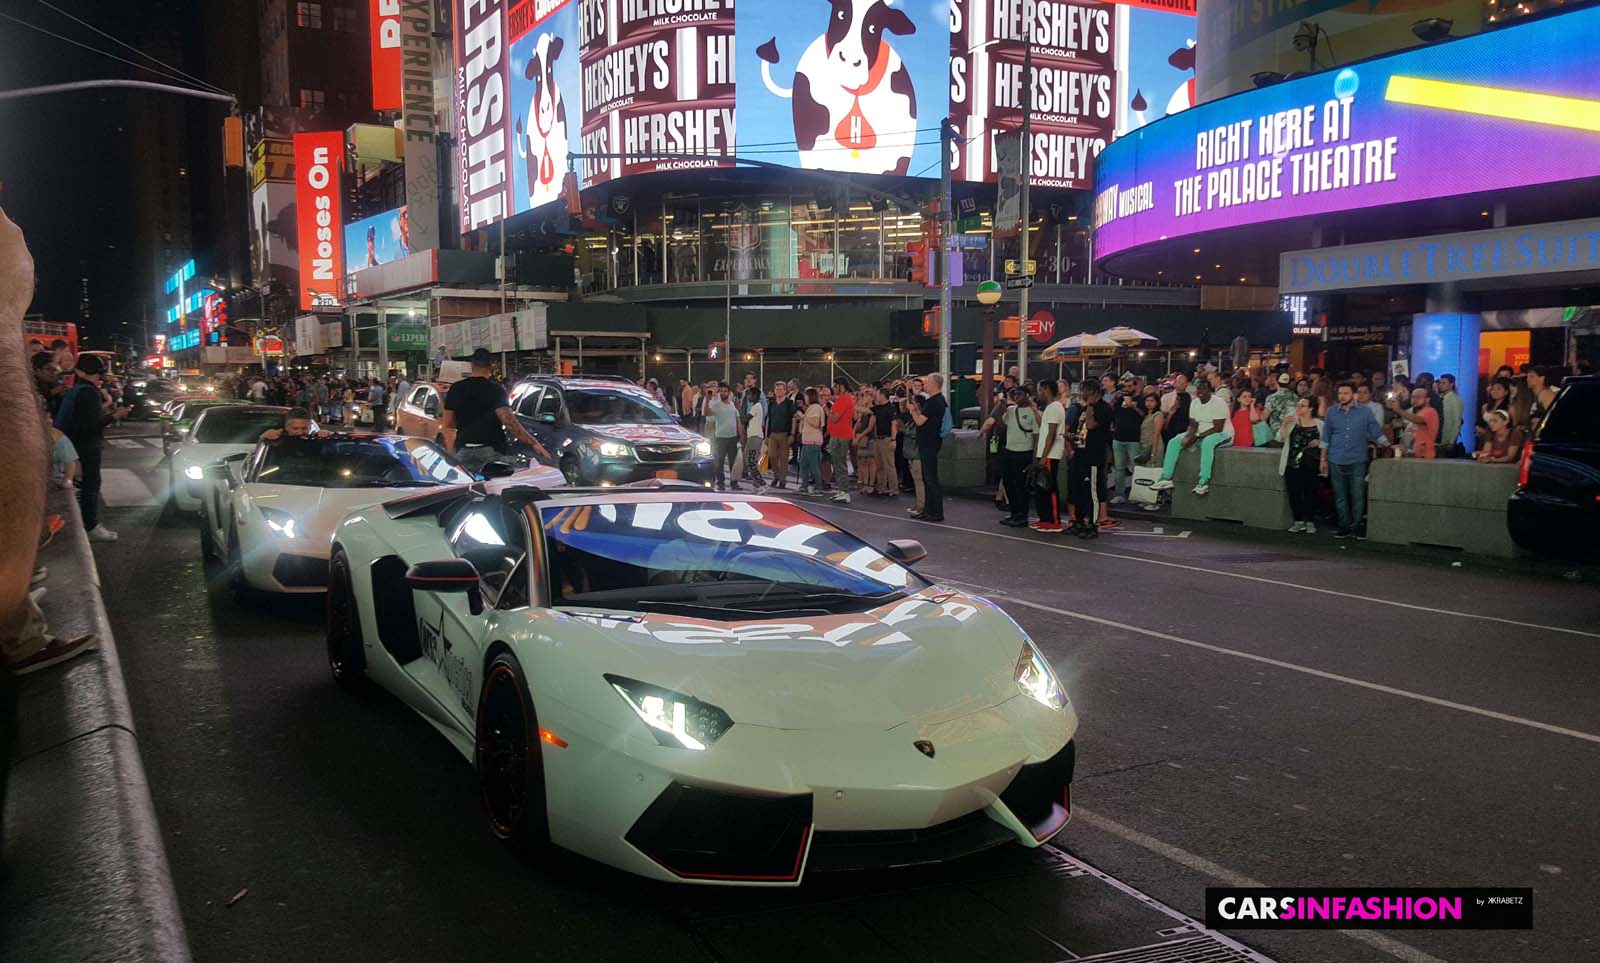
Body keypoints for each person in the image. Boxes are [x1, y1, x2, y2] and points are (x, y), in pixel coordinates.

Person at [440, 349, 550, 474]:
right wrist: (533, 443)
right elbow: (509, 422)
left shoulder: (456, 388)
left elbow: (448, 422)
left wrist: (465, 423)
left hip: (463, 450)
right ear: (491, 365)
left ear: (471, 365)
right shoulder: (496, 390)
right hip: (492, 452)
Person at [55, 354, 128, 542]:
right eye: (94, 373)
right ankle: (90, 526)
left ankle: (86, 524)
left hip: (71, 444)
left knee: (84, 486)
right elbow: (89, 426)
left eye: (98, 373)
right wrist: (115, 415)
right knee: (90, 485)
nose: (97, 377)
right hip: (85, 446)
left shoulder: (76, 390)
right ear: (80, 371)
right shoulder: (87, 392)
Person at [1320, 382, 1387, 538]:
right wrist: (1323, 459)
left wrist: (1387, 444)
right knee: (1340, 494)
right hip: (1336, 457)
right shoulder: (1331, 412)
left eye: (1346, 393)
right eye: (1340, 393)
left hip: (1357, 458)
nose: (1342, 396)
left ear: (1354, 395)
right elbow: (1326, 436)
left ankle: (1356, 525)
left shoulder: (1365, 412)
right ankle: (1344, 525)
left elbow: (1376, 431)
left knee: (1357, 494)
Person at [1151, 376, 1231, 497]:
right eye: (1199, 389)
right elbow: (1193, 424)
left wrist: (1196, 436)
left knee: (1208, 442)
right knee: (1174, 441)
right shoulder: (1194, 402)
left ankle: (1203, 481)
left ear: (1210, 390)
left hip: (1222, 434)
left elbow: (1217, 428)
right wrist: (1188, 436)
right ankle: (1166, 478)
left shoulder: (1219, 402)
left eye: (1204, 389)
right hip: (1200, 433)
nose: (1201, 392)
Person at [1067, 383, 1112, 539]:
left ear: (1093, 392)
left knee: (1092, 491)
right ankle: (1078, 521)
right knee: (1078, 489)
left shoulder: (1103, 409)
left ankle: (1092, 525)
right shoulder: (1083, 409)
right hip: (1080, 453)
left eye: (1085, 391)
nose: (1082, 394)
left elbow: (1091, 425)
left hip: (1094, 456)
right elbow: (1079, 429)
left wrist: (1091, 407)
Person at [1278, 397, 1323, 533]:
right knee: (1294, 493)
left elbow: (1327, 441)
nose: (1299, 408)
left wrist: (1318, 442)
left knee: (1310, 492)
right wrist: (1285, 424)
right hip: (1292, 462)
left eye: (1303, 406)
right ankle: (1297, 520)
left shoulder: (1319, 424)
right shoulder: (1292, 422)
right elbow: (1281, 438)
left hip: (1311, 463)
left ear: (1310, 408)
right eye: (1298, 405)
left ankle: (1310, 521)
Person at [1030, 380, 1068, 532]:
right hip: (1045, 453)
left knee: (1049, 486)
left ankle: (1054, 520)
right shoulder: (1050, 408)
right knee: (1042, 487)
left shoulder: (1054, 407)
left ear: (1046, 389)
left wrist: (1044, 457)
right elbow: (1044, 426)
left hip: (1050, 454)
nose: (1039, 393)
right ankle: (1045, 518)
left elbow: (1051, 434)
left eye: (1040, 390)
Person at [999, 387, 1037, 527]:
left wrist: (1035, 458)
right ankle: (1014, 512)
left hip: (1024, 452)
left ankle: (1022, 515)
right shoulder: (1010, 410)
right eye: (1015, 394)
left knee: (1021, 485)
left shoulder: (1033, 412)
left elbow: (1036, 435)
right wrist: (1002, 406)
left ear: (1027, 395)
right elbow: (1002, 424)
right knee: (1009, 483)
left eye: (1020, 394)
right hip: (1010, 450)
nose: (1016, 397)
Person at [1109, 384, 1143, 503]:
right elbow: (1109, 411)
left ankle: (1137, 494)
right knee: (1119, 468)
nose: (1126, 389)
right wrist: (1115, 398)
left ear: (1135, 387)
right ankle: (1119, 494)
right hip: (1118, 438)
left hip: (1134, 438)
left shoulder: (1140, 399)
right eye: (1124, 387)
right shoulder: (1119, 400)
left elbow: (1144, 416)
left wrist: (1132, 407)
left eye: (1129, 386)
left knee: (1136, 468)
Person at [706, 382, 740, 491]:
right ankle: (721, 482)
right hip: (720, 437)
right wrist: (707, 400)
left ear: (729, 393)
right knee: (719, 462)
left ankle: (734, 482)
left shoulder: (732, 405)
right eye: (721, 391)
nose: (723, 393)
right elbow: (707, 414)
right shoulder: (716, 406)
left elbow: (737, 418)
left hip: (732, 437)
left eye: (725, 391)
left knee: (733, 462)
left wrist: (740, 434)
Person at [826, 377, 855, 503]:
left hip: (841, 436)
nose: (833, 388)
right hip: (837, 435)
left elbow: (834, 418)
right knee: (837, 464)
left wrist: (825, 408)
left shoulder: (844, 399)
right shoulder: (843, 399)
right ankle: (842, 490)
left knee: (840, 464)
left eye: (835, 386)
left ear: (840, 386)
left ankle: (845, 492)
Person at [1390, 386, 1439, 459]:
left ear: (1427, 399)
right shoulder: (1419, 412)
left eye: (1418, 397)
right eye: (1413, 397)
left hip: (1425, 456)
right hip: (1416, 454)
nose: (1414, 400)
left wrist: (1398, 410)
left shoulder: (1430, 411)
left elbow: (1417, 419)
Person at [765, 381, 795, 489]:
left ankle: (783, 480)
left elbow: (793, 418)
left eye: (780, 389)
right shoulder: (772, 403)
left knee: (783, 458)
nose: (778, 391)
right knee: (772, 456)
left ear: (785, 391)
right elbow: (769, 419)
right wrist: (766, 435)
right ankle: (776, 475)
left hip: (784, 434)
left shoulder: (789, 403)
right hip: (773, 433)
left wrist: (792, 434)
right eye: (776, 389)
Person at [798, 387, 826, 495]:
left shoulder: (816, 407)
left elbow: (815, 422)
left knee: (813, 465)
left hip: (813, 441)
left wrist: (803, 417)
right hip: (807, 440)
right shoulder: (811, 408)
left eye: (806, 396)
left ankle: (818, 487)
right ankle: (804, 485)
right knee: (803, 464)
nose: (805, 398)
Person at [1437, 373, 1464, 457]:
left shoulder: (1455, 400)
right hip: (1438, 437)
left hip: (1447, 439)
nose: (1440, 385)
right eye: (1440, 383)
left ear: (1451, 384)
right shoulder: (1439, 398)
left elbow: (1457, 421)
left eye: (1444, 383)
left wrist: (1452, 441)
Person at [741, 385, 764, 484]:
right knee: (748, 458)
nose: (748, 397)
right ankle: (756, 482)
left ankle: (761, 483)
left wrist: (738, 409)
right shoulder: (755, 406)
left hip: (755, 437)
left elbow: (745, 419)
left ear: (755, 395)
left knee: (751, 460)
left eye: (749, 395)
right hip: (752, 436)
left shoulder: (756, 406)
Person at [1525, 366, 1558, 433]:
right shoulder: (1535, 395)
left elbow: (1553, 415)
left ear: (1542, 378)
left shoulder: (1545, 394)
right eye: (1527, 376)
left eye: (1532, 376)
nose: (1528, 379)